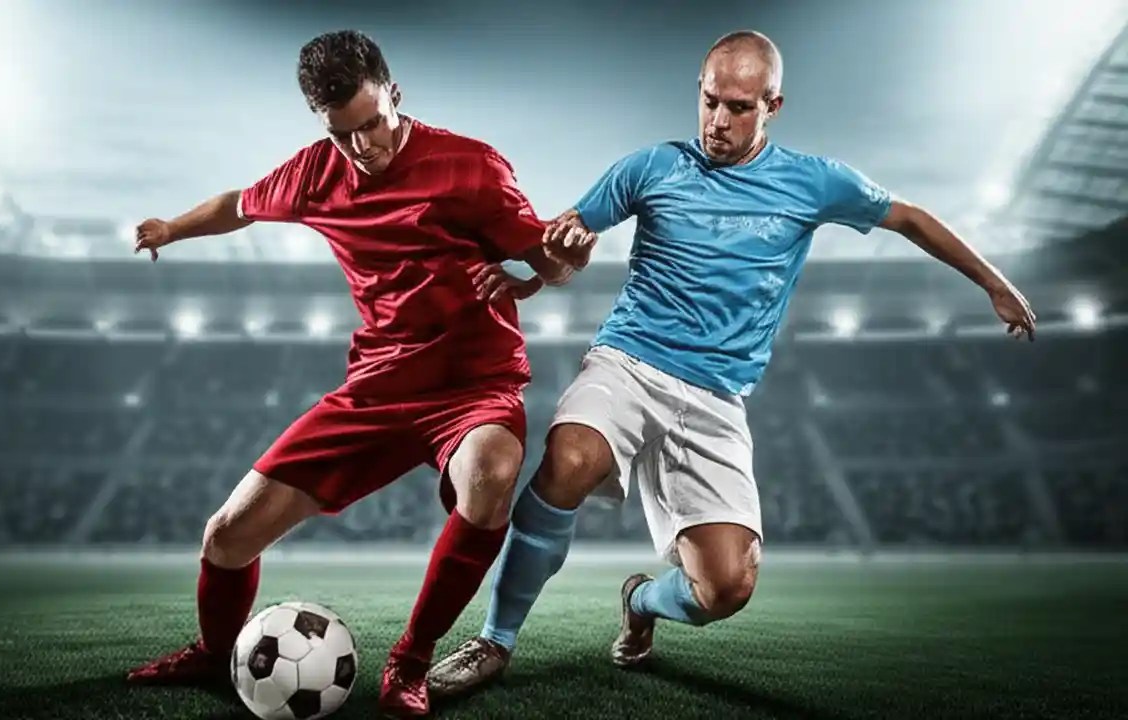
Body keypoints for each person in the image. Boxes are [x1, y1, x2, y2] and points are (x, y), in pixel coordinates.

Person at [429, 29, 1037, 695]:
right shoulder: (651, 168)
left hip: (715, 399)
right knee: (569, 459)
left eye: (739, 107)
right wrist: (538, 271)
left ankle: (639, 604)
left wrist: (993, 282)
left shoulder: (815, 182)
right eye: (710, 101)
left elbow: (910, 217)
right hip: (629, 363)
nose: (718, 120)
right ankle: (495, 640)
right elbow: (562, 241)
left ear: (773, 106)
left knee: (725, 588)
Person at [124, 29, 580, 718]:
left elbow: (553, 261)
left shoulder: (472, 167)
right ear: (321, 124)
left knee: (490, 476)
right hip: (375, 391)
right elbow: (237, 204)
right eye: (345, 134)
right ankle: (215, 655)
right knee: (225, 537)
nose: (364, 146)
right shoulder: (314, 173)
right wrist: (169, 229)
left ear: (395, 95)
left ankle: (411, 663)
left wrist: (541, 270)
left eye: (374, 124)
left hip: (472, 388)